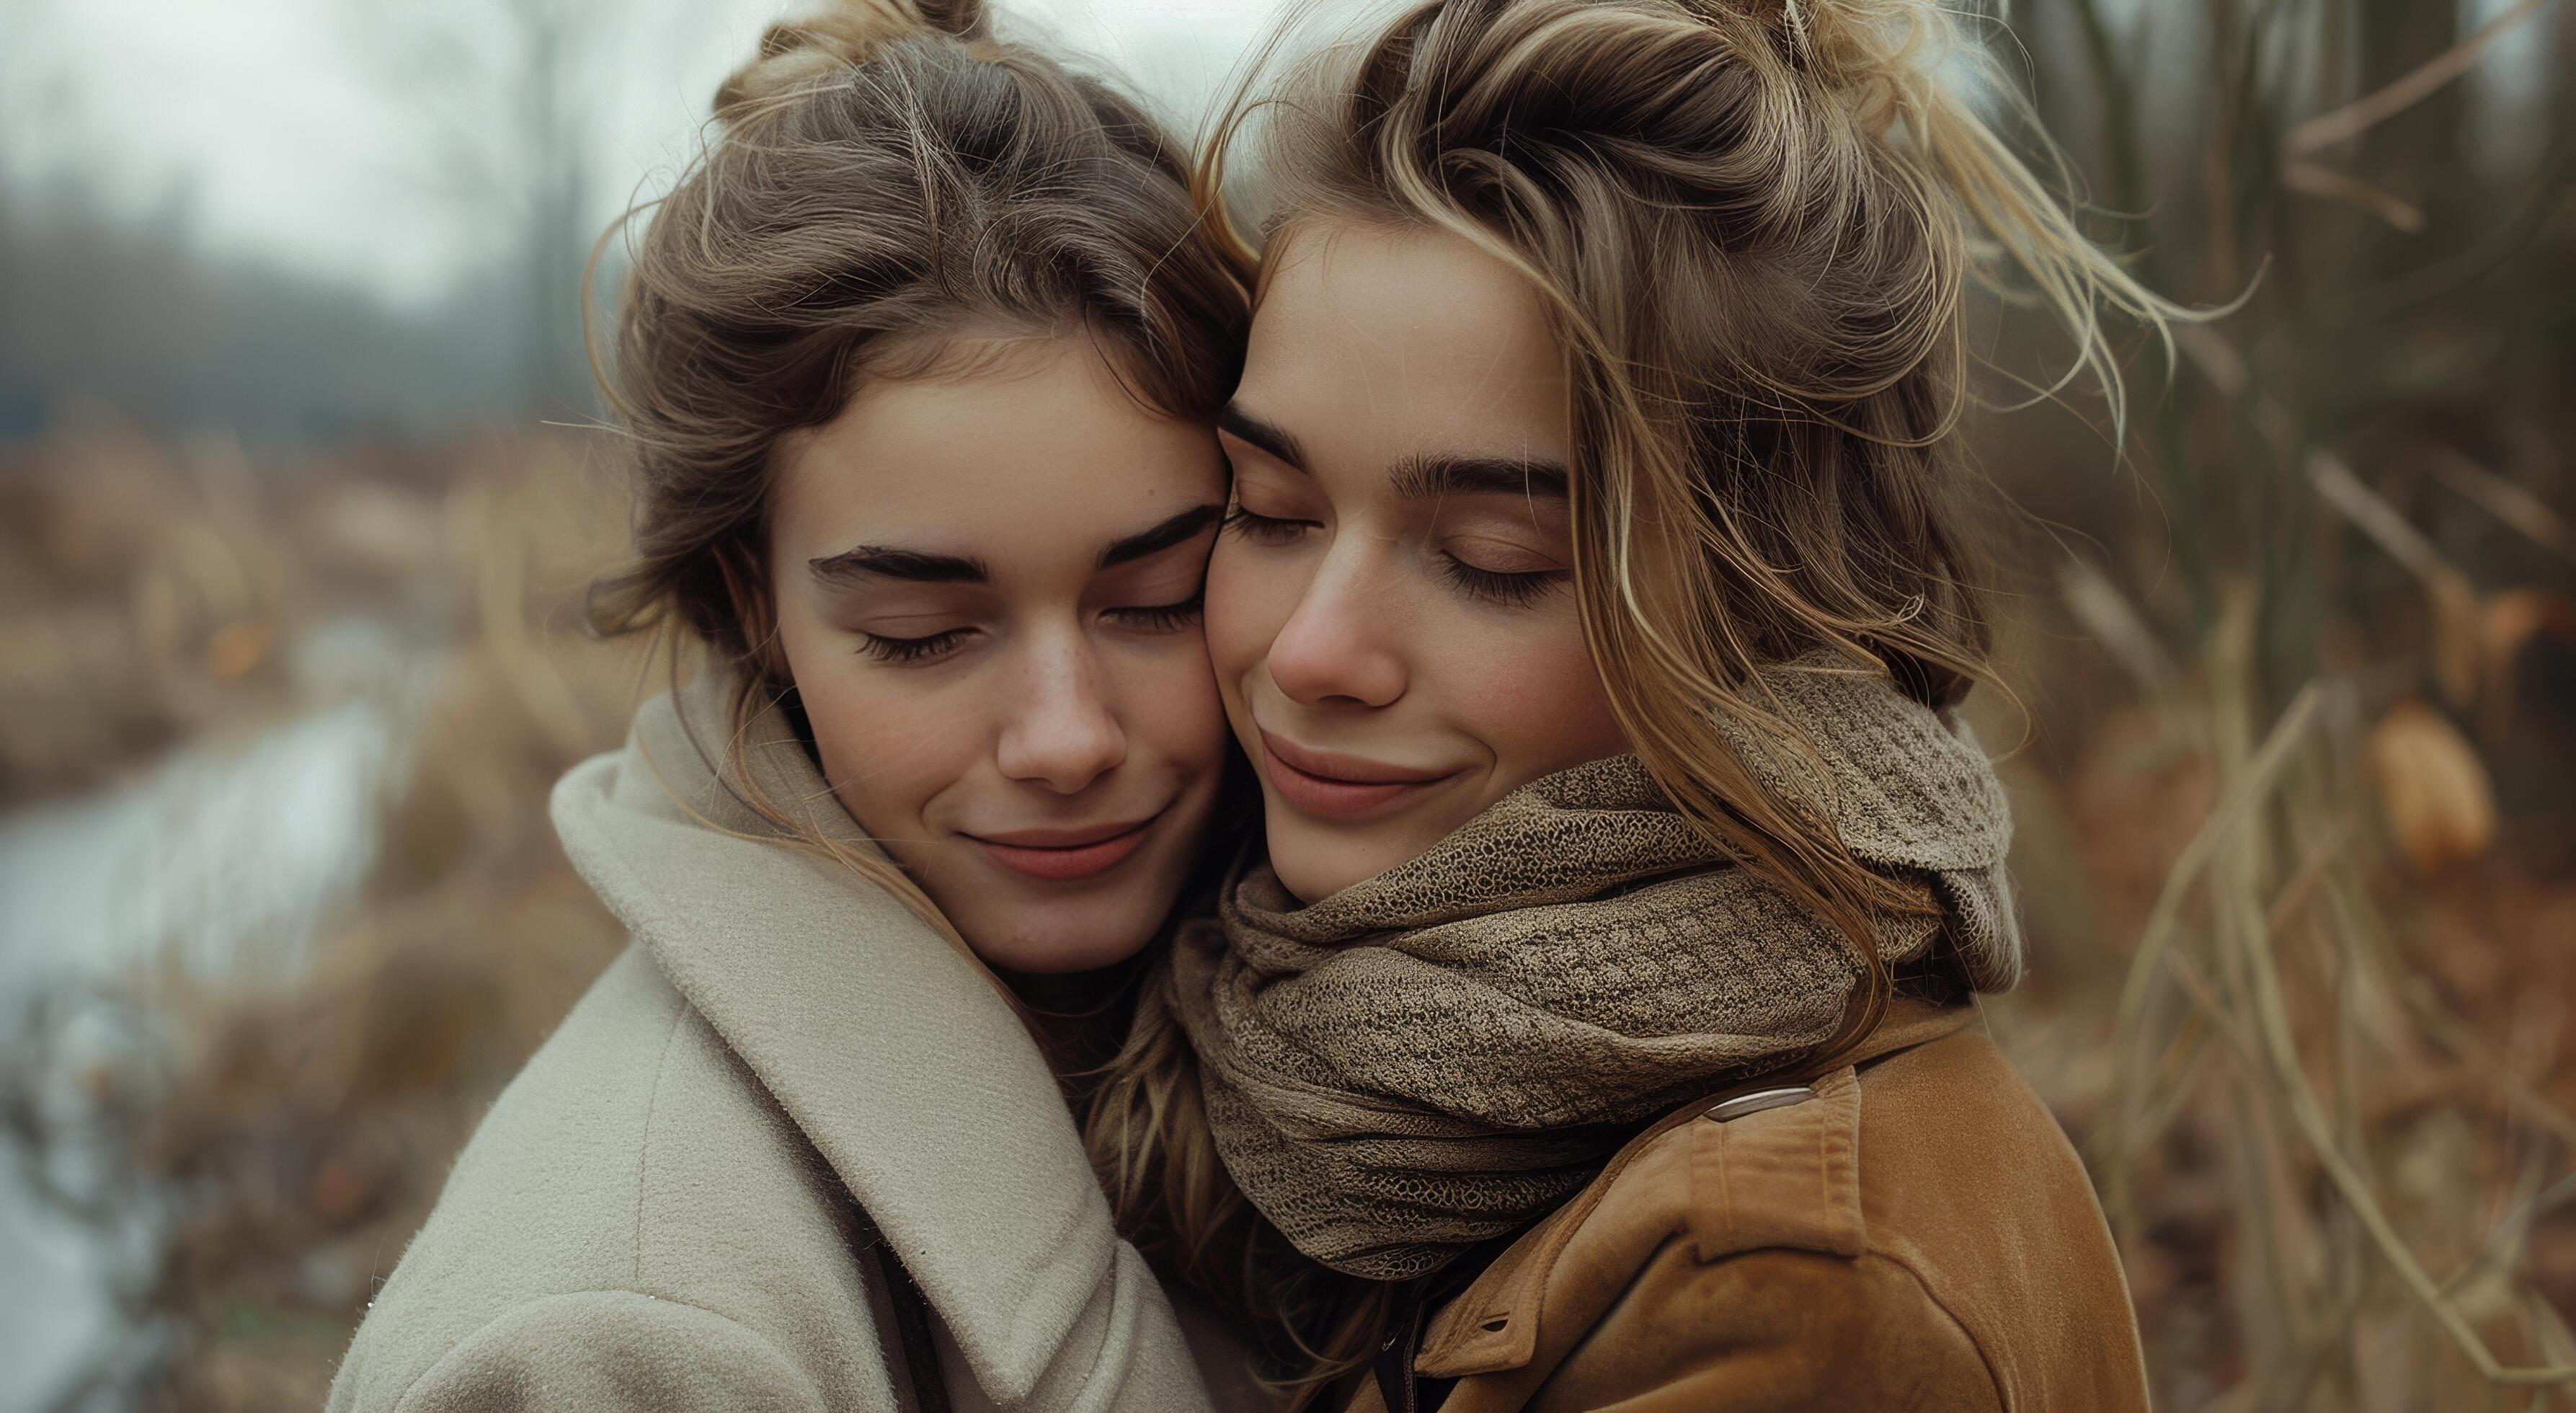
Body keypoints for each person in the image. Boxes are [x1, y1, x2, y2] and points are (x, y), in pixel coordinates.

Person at [1089, 0, 2182, 1407]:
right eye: (1271, 508)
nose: (1309, 652)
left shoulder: (1790, 1289)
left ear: (1761, 609)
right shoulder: (1280, 1047)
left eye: (1493, 564)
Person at [327, 3, 1266, 1408]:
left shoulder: (1302, 1034)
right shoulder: (620, 1333)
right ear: (748, 598)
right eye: (923, 632)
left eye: (1158, 598)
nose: (1067, 736)